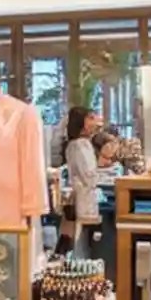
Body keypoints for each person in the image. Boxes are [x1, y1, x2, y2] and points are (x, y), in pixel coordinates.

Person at [63, 106, 102, 258]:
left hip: (84, 197)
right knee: (81, 244)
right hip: (84, 198)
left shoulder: (78, 143)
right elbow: (89, 175)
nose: (95, 122)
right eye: (90, 118)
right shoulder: (80, 145)